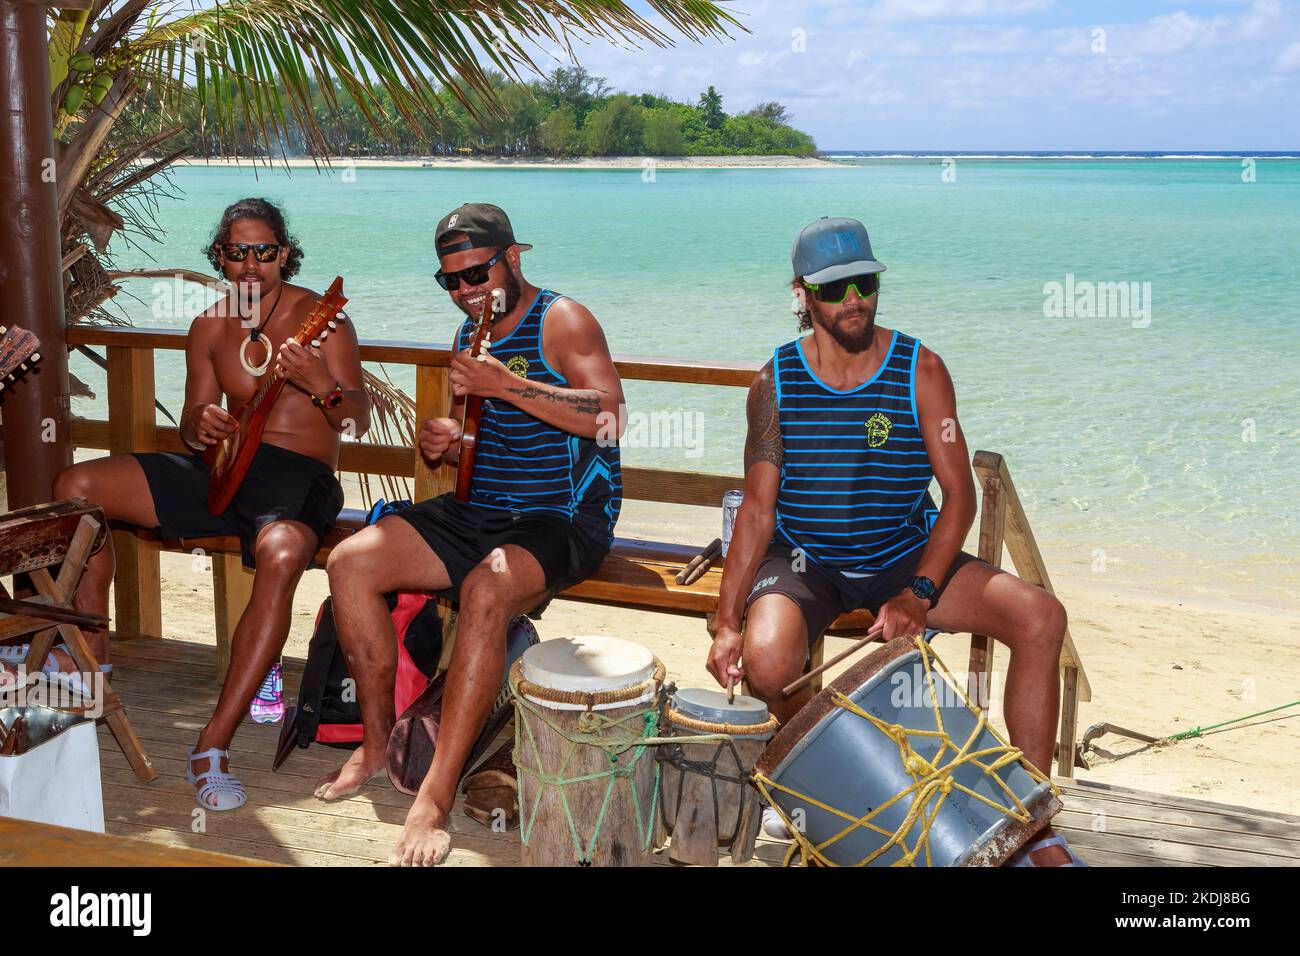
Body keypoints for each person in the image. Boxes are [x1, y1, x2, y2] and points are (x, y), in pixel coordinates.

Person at [705, 216, 1083, 867]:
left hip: (902, 555)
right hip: (806, 561)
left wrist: (920, 591)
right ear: (802, 295)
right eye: (834, 289)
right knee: (767, 664)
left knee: (1041, 616)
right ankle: (831, 776)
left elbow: (959, 495)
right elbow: (759, 509)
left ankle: (1030, 823)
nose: (853, 299)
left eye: (865, 282)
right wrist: (724, 621)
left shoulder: (920, 368)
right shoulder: (775, 384)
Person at [316, 203, 625, 866]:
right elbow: (478, 440)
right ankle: (375, 743)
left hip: (564, 516)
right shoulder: (468, 334)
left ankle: (435, 794)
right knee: (350, 563)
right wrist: (451, 439)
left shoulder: (563, 320)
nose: (466, 291)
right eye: (451, 281)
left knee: (487, 590)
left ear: (513, 257)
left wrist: (508, 384)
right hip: (482, 509)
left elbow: (609, 418)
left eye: (476, 273)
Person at [53, 197, 370, 811]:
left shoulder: (322, 320)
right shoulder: (208, 326)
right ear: (220, 257)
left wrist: (321, 385)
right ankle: (94, 668)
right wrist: (201, 425)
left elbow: (356, 416)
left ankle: (213, 743)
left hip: (298, 475)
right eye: (237, 251)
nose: (251, 263)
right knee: (75, 488)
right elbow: (192, 422)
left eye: (264, 250)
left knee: (280, 555)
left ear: (284, 253)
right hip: (223, 471)